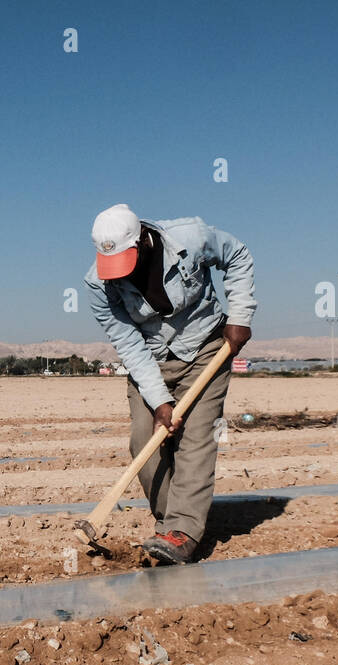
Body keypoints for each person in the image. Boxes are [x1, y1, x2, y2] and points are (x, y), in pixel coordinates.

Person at [85, 203, 256, 564]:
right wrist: (161, 401)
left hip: (208, 347)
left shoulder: (189, 238)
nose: (119, 276)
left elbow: (237, 254)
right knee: (143, 439)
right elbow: (129, 344)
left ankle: (183, 531)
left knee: (196, 438)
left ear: (144, 241)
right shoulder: (98, 285)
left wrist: (240, 316)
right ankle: (169, 520)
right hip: (152, 359)